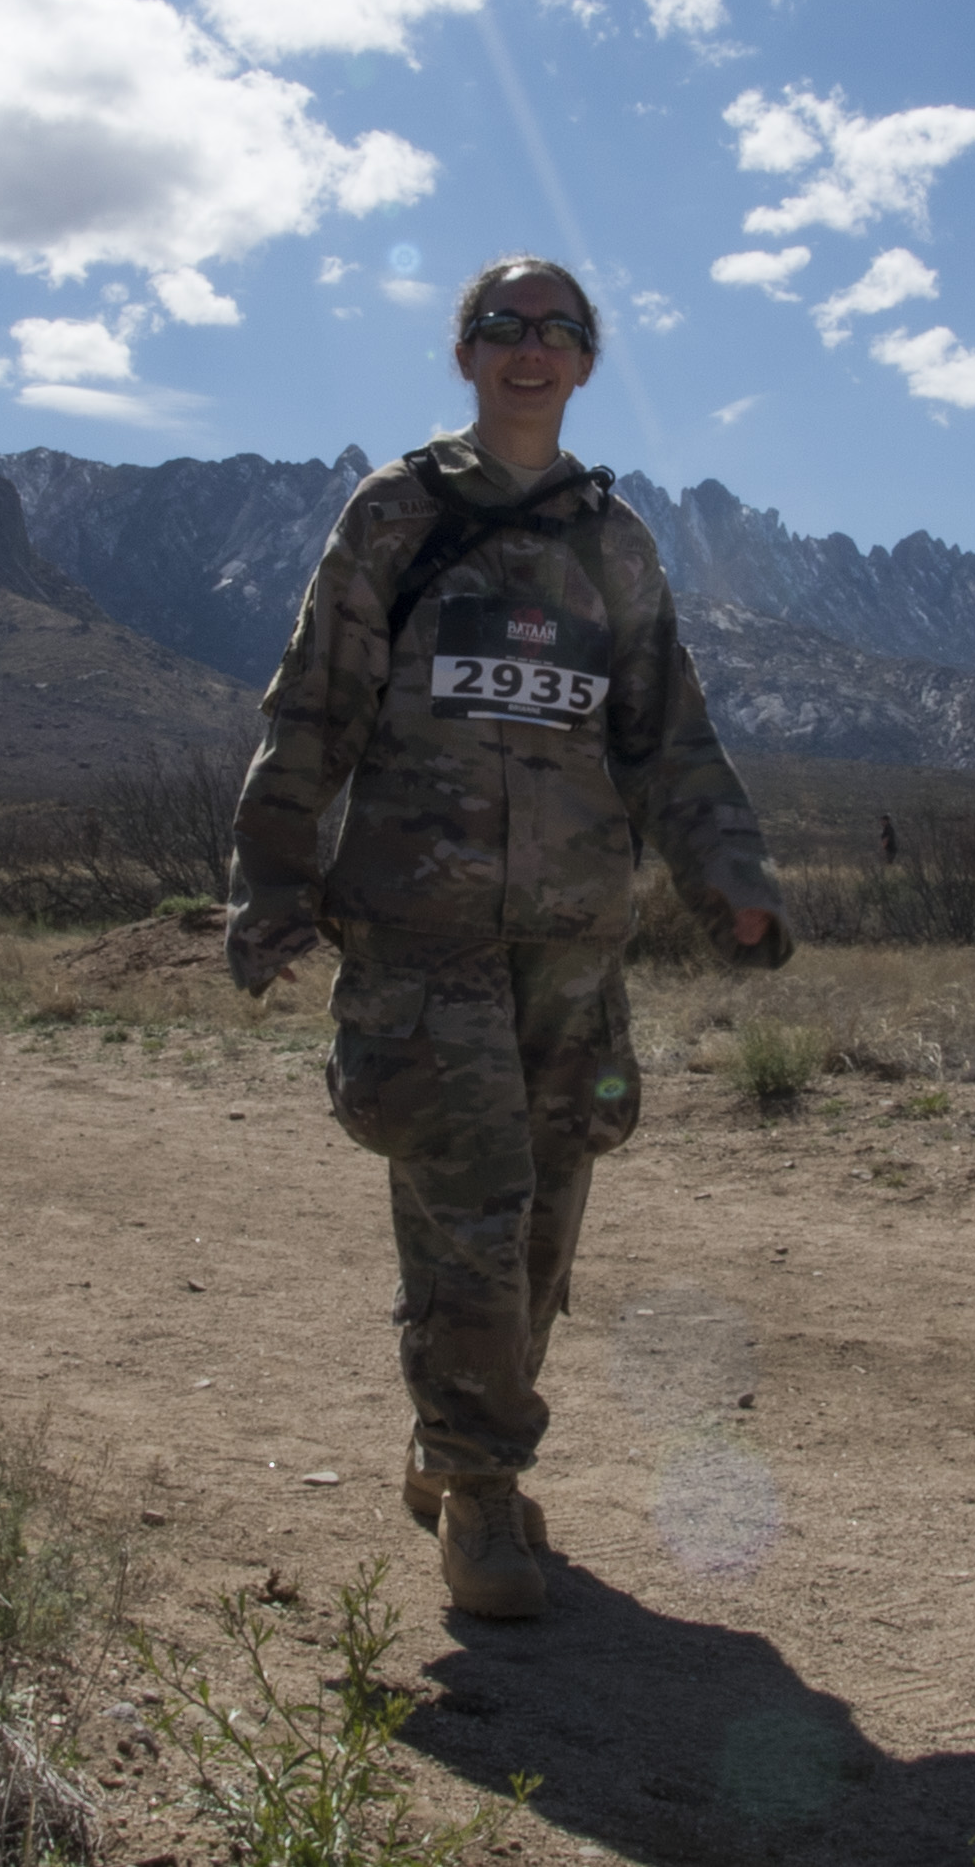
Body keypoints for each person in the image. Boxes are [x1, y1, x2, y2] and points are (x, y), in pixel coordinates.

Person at [227, 255, 791, 1622]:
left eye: (556, 330)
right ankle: (482, 1487)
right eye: (501, 327)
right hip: (422, 942)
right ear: (464, 354)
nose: (528, 349)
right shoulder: (395, 514)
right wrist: (272, 878)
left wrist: (731, 877)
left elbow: (667, 739)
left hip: (573, 951)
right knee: (468, 1212)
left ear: (586, 361)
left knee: (540, 1221)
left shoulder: (615, 542)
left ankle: (453, 1431)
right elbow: (313, 707)